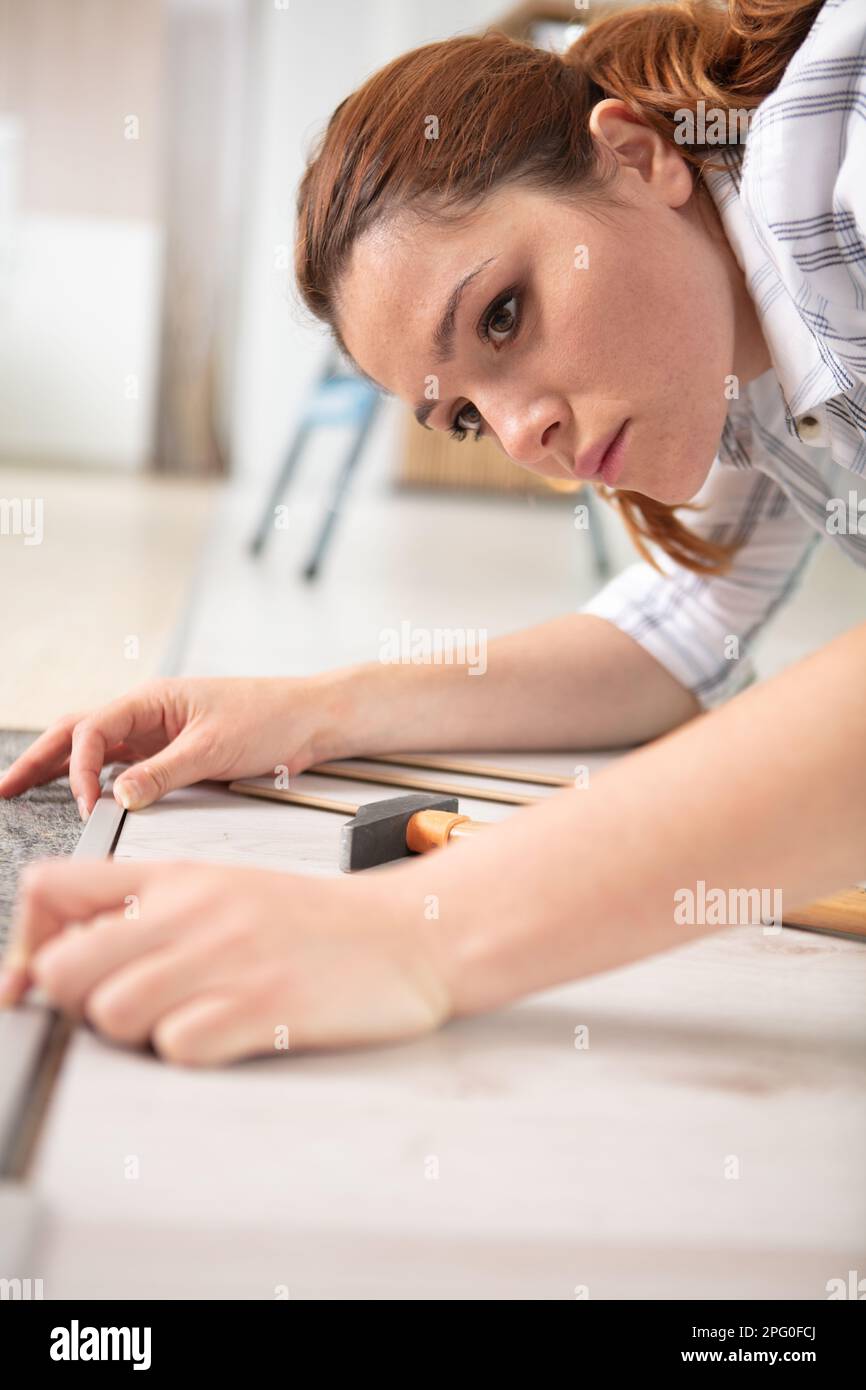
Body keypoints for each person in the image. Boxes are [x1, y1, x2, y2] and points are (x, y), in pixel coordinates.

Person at [1, 0, 864, 1065]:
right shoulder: (733, 357)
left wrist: (419, 933)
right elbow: (679, 635)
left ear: (637, 159)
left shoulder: (844, 154)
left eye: (502, 314)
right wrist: (307, 711)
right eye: (461, 415)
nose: (520, 430)